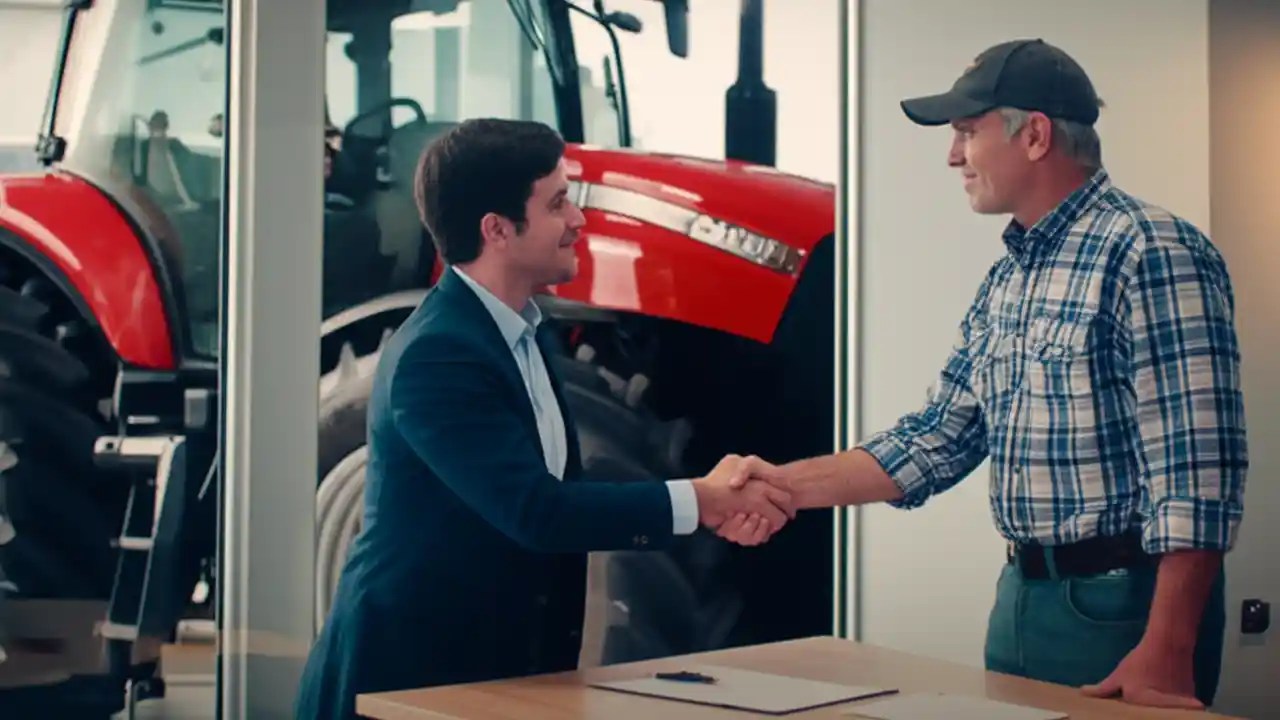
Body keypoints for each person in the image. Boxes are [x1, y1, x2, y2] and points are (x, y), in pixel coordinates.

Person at [721, 38, 1247, 711]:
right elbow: (936, 439)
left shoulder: (1153, 251)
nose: (951, 155)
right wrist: (775, 485)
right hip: (1023, 599)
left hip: (1125, 610)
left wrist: (1169, 648)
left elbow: (1199, 470)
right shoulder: (1009, 278)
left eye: (967, 132)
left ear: (1034, 135)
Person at [294, 118, 795, 720]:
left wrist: (714, 500)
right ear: (497, 229)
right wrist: (702, 501)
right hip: (405, 680)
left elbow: (572, 493)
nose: (579, 221)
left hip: (484, 677)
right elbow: (537, 512)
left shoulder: (522, 335)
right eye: (559, 203)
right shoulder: (440, 355)